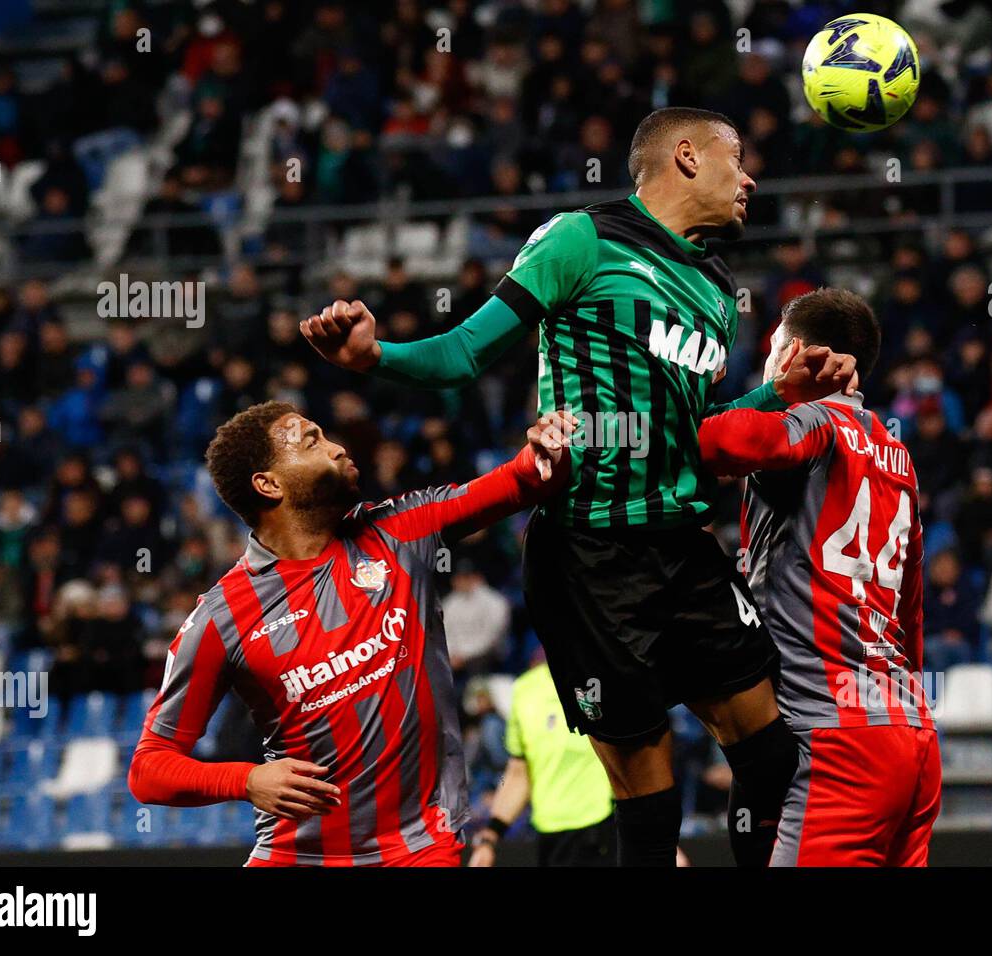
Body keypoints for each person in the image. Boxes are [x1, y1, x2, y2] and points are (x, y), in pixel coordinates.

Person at [299, 107, 860, 867]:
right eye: (738, 158)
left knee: (771, 757)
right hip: (589, 559)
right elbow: (464, 352)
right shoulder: (581, 239)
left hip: (685, 547)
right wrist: (375, 357)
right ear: (687, 157)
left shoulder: (718, 291)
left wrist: (775, 397)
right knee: (649, 799)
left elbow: (696, 433)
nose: (750, 178)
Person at [127, 401, 570, 866]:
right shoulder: (221, 618)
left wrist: (548, 448)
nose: (337, 449)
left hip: (419, 849)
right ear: (268, 483)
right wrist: (247, 781)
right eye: (311, 441)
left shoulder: (401, 529)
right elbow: (149, 769)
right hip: (295, 855)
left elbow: (524, 480)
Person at [698, 288, 940, 866]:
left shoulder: (813, 421)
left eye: (772, 348)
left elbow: (708, 441)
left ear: (794, 352)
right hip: (910, 734)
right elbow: (910, 617)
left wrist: (777, 395)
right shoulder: (896, 456)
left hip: (837, 740)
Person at [468, 655, 616, 867]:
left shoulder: (602, 679)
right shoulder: (525, 690)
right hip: (551, 840)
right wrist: (490, 837)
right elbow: (519, 773)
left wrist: (659, 840)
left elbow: (631, 761)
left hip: (605, 829)